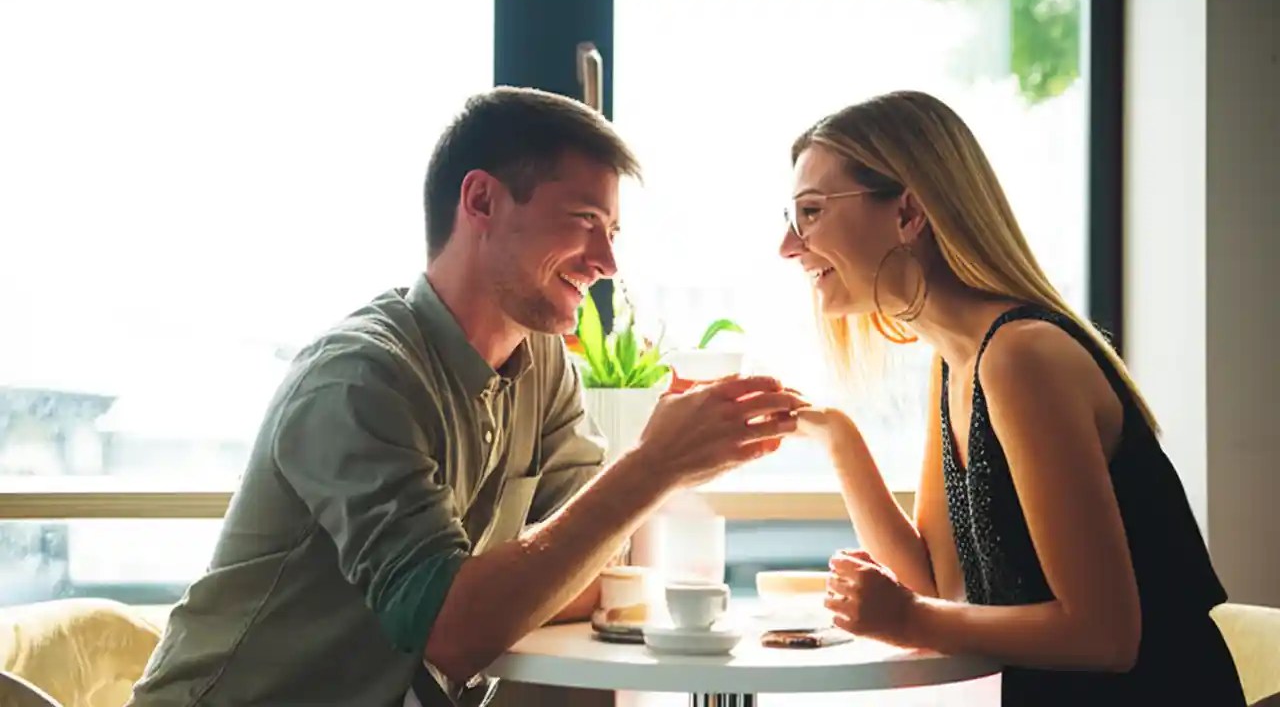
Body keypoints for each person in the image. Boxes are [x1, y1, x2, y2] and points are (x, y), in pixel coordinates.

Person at [128, 87, 805, 707]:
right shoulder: (361, 380)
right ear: (480, 201)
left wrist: (652, 479)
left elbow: (592, 576)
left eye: (613, 231)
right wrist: (655, 464)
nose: (607, 262)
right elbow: (451, 633)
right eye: (582, 219)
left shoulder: (541, 363)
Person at [779, 91, 1245, 706]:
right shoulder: (956, 362)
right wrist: (836, 437)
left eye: (810, 212)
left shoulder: (1021, 358)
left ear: (908, 213)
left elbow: (1105, 637)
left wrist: (905, 619)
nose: (789, 246)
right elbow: (942, 586)